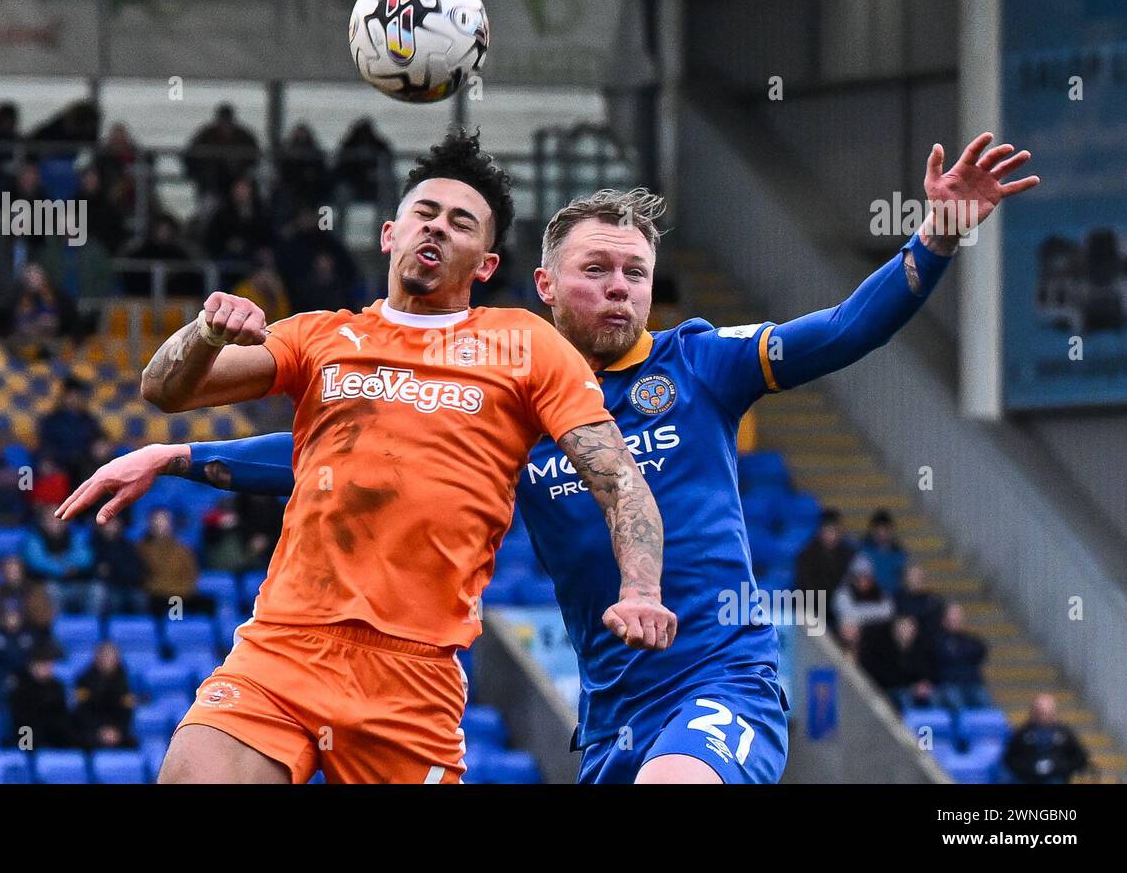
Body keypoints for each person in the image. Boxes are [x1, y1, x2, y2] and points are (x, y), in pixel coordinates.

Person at [61, 131, 1039, 784]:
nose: (621, 290)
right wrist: (182, 453)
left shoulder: (701, 363)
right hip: (608, 708)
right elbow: (351, 449)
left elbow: (839, 331)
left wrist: (936, 238)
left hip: (717, 677)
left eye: (637, 275)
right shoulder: (507, 391)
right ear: (542, 284)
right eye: (598, 270)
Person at [58, 129, 677, 784]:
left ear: (487, 264)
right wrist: (207, 329)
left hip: (411, 673)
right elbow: (164, 387)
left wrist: (640, 588)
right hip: (285, 646)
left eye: (460, 222)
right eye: (424, 214)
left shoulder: (523, 344)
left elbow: (616, 477)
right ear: (390, 234)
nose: (436, 229)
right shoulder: (320, 336)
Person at [136, 508, 213, 616]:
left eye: (164, 520)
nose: (160, 524)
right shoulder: (141, 549)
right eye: (157, 520)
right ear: (150, 523)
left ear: (171, 523)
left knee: (208, 604)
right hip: (156, 595)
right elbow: (142, 579)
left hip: (181, 594)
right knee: (169, 606)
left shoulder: (183, 550)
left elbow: (191, 575)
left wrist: (180, 591)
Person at [22, 509, 98, 615]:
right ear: (42, 522)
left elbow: (86, 557)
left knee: (97, 590)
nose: (55, 523)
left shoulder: (75, 535)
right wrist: (62, 569)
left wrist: (60, 561)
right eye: (50, 520)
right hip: (51, 583)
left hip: (78, 583)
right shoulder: (34, 538)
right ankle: (56, 626)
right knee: (51, 589)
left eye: (59, 519)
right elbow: (37, 561)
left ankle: (89, 627)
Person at [1003, 693, 1090, 784]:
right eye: (1040, 712)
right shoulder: (1022, 733)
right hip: (1028, 779)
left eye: (1047, 713)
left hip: (1056, 778)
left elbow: (1080, 758)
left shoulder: (1065, 734)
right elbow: (1010, 758)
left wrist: (1060, 767)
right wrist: (1029, 767)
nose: (1043, 717)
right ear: (1033, 713)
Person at [183, 104, 261, 201]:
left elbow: (255, 157)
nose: (225, 125)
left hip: (238, 180)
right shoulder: (206, 135)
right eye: (223, 120)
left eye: (227, 121)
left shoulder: (243, 136)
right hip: (211, 182)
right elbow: (190, 155)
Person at [860, 615, 938, 711]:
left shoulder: (919, 649)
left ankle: (934, 723)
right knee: (904, 697)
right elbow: (883, 676)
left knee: (934, 695)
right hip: (889, 690)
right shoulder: (883, 649)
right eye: (903, 627)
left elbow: (925, 671)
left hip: (913, 689)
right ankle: (906, 725)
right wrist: (911, 688)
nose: (906, 631)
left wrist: (924, 683)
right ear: (895, 629)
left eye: (910, 627)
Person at [7, 643, 76, 749]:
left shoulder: (57, 686)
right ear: (33, 666)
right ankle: (28, 762)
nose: (47, 668)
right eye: (43, 664)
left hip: (52, 729)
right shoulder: (21, 685)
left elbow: (62, 713)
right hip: (27, 728)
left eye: (49, 665)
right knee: (26, 736)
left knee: (70, 735)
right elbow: (19, 715)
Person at [37, 378, 104, 482]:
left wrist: (101, 446)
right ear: (63, 397)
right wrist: (47, 460)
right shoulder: (52, 420)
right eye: (70, 395)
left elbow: (99, 440)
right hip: (60, 463)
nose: (74, 399)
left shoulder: (89, 420)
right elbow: (46, 444)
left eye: (77, 395)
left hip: (85, 465)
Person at [74, 642, 137, 750]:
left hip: (117, 731)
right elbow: (82, 710)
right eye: (104, 656)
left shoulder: (124, 682)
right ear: (97, 658)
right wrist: (100, 731)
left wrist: (117, 731)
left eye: (111, 657)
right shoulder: (84, 680)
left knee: (133, 743)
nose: (107, 661)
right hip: (92, 730)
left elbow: (127, 710)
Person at [932, 602, 991, 712]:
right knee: (957, 703)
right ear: (944, 619)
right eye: (953, 616)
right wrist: (962, 655)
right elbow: (944, 657)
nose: (956, 620)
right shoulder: (937, 640)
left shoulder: (970, 639)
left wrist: (958, 654)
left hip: (972, 684)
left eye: (958, 616)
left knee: (986, 703)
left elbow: (981, 650)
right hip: (949, 685)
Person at [794, 509, 856, 611]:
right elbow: (805, 587)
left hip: (841, 607)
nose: (831, 535)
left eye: (835, 530)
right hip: (813, 606)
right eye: (828, 530)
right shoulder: (806, 555)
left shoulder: (849, 554)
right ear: (820, 531)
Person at [0, 556, 56, 636]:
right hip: (4, 635)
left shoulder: (35, 591)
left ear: (21, 572)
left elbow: (44, 618)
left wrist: (21, 620)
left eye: (14, 572)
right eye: (8, 572)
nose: (11, 575)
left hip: (33, 634)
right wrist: (4, 621)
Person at [91, 515, 147, 616]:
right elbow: (91, 569)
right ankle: (91, 627)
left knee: (140, 597)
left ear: (119, 525)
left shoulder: (128, 546)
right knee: (100, 592)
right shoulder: (92, 543)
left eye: (113, 523)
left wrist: (112, 570)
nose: (110, 526)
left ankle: (142, 629)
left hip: (127, 585)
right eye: (106, 523)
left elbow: (135, 571)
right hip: (104, 586)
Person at [334, 118, 394, 203]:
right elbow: (341, 164)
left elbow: (388, 159)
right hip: (352, 182)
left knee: (386, 184)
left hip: (374, 184)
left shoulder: (378, 145)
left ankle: (392, 213)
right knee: (342, 190)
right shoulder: (349, 145)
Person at [831, 555, 894, 630]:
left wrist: (860, 613)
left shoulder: (878, 591)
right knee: (848, 625)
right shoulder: (842, 593)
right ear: (852, 577)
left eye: (866, 577)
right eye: (859, 577)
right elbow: (848, 614)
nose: (863, 581)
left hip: (874, 633)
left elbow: (888, 611)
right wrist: (875, 612)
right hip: (846, 635)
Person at [857, 509, 907, 595]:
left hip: (892, 598)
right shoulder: (862, 551)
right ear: (872, 531)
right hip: (867, 598)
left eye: (885, 529)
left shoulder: (900, 554)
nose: (881, 533)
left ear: (891, 530)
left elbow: (902, 580)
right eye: (878, 529)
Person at [895, 564, 945, 641]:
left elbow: (935, 627)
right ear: (906, 578)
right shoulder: (897, 598)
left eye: (919, 576)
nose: (916, 579)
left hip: (926, 642)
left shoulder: (933, 601)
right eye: (913, 576)